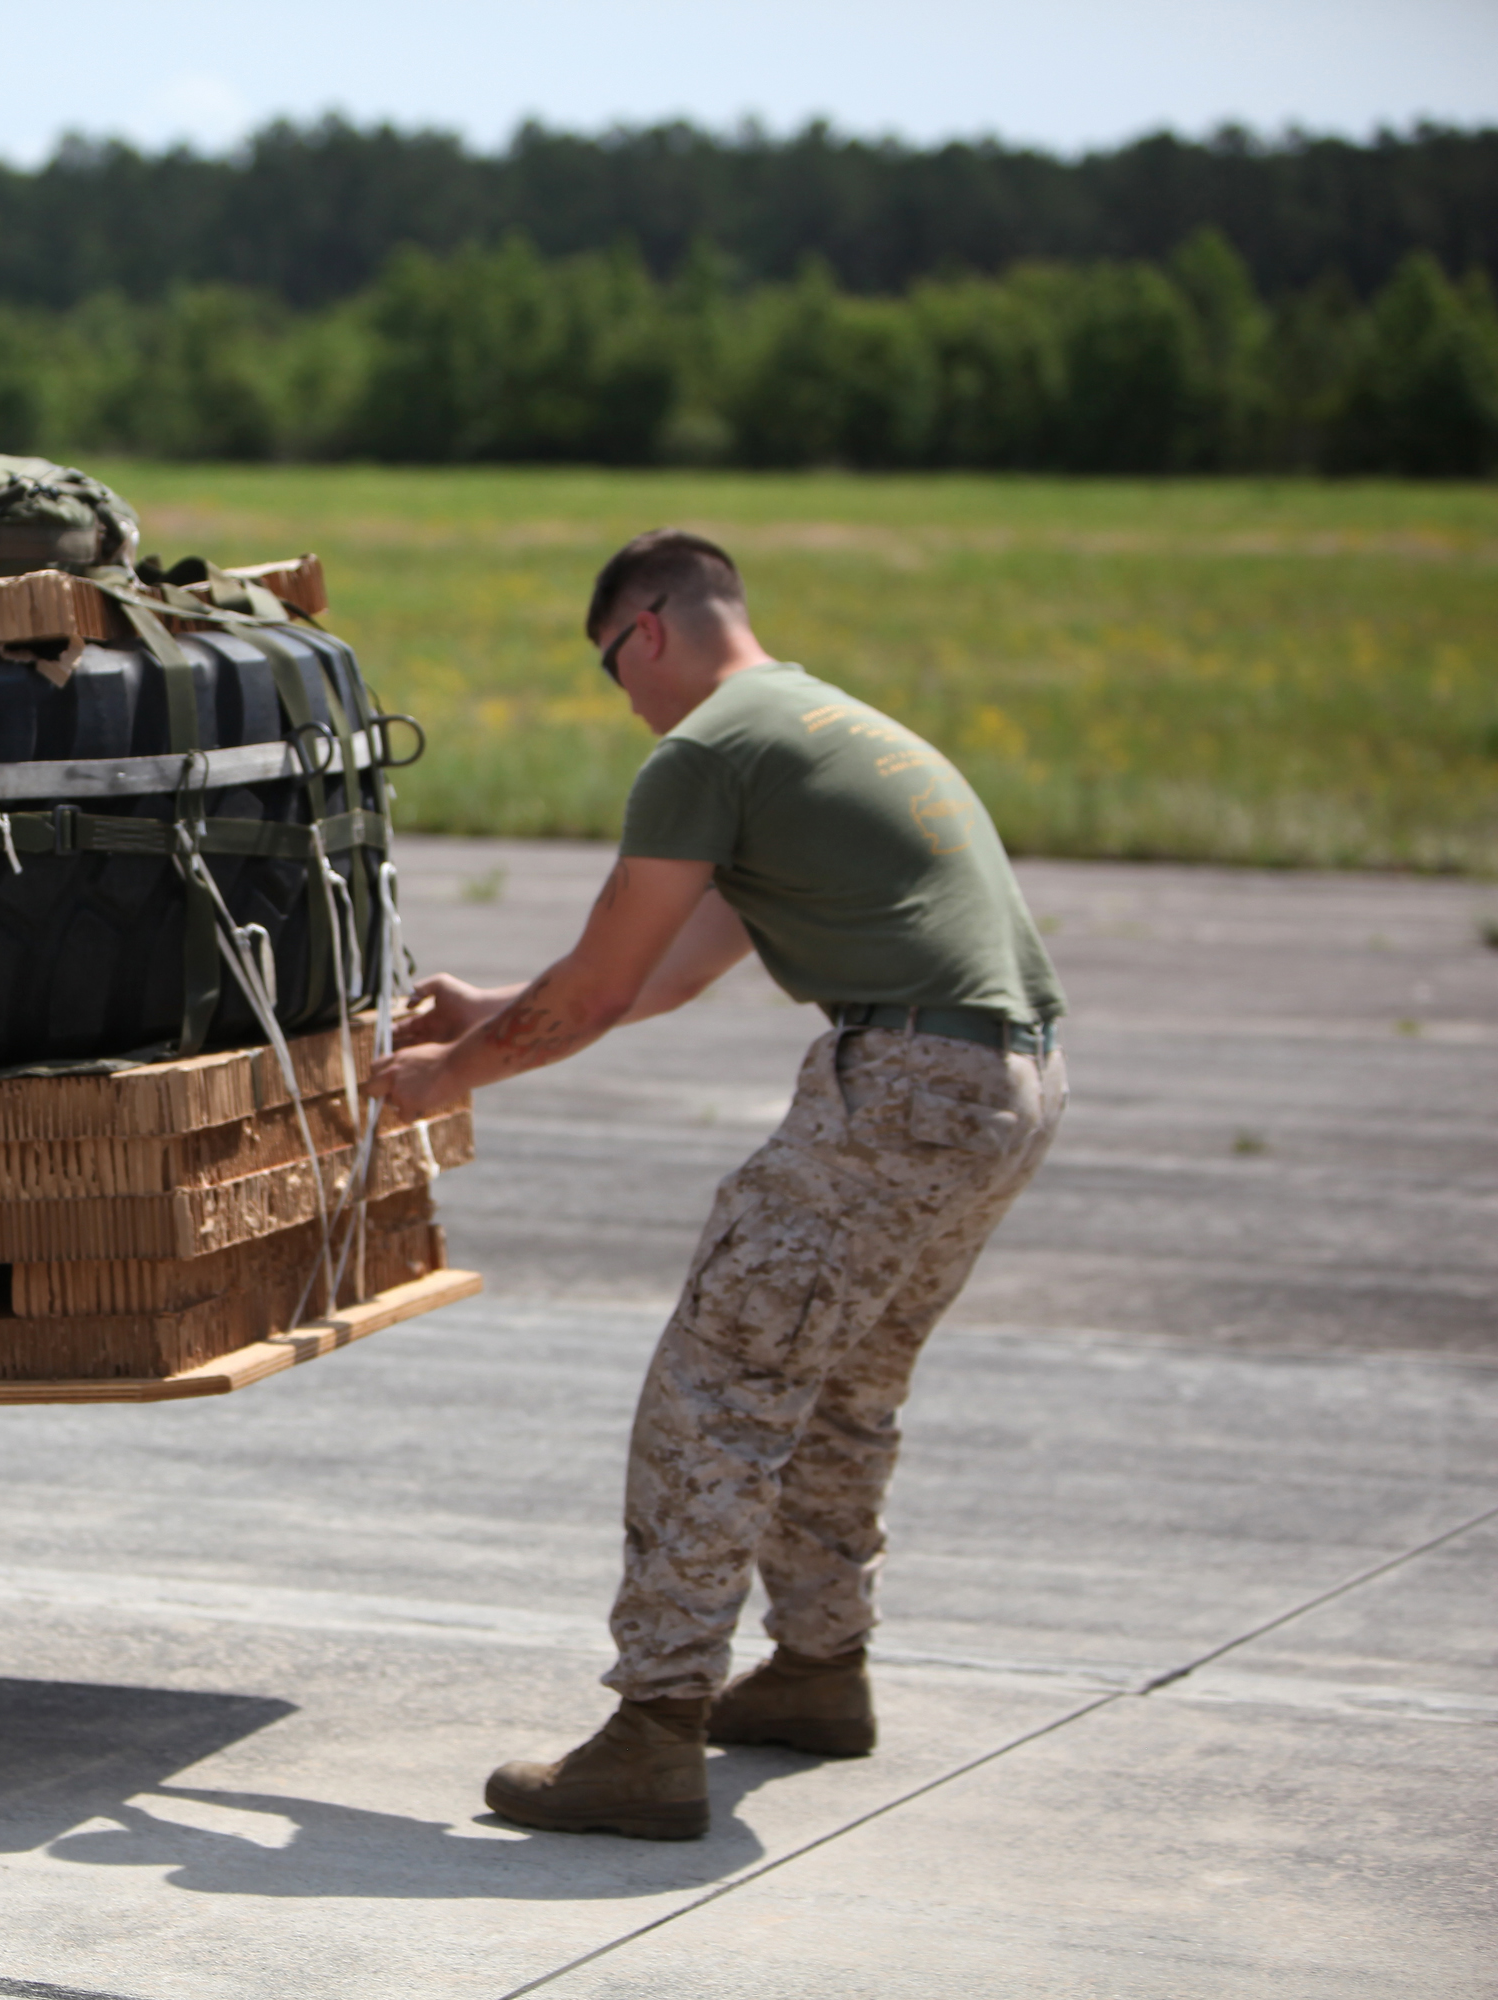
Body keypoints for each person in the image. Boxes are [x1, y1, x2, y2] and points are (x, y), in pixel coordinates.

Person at [371, 530, 1067, 1841]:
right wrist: (494, 1008)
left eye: (608, 670)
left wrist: (443, 1076)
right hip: (1011, 1084)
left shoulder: (705, 751)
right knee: (841, 1385)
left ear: (645, 630)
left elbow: (600, 994)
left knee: (715, 1390)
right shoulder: (814, 726)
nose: (621, 701)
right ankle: (817, 1670)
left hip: (910, 1083)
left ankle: (652, 1731)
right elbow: (667, 970)